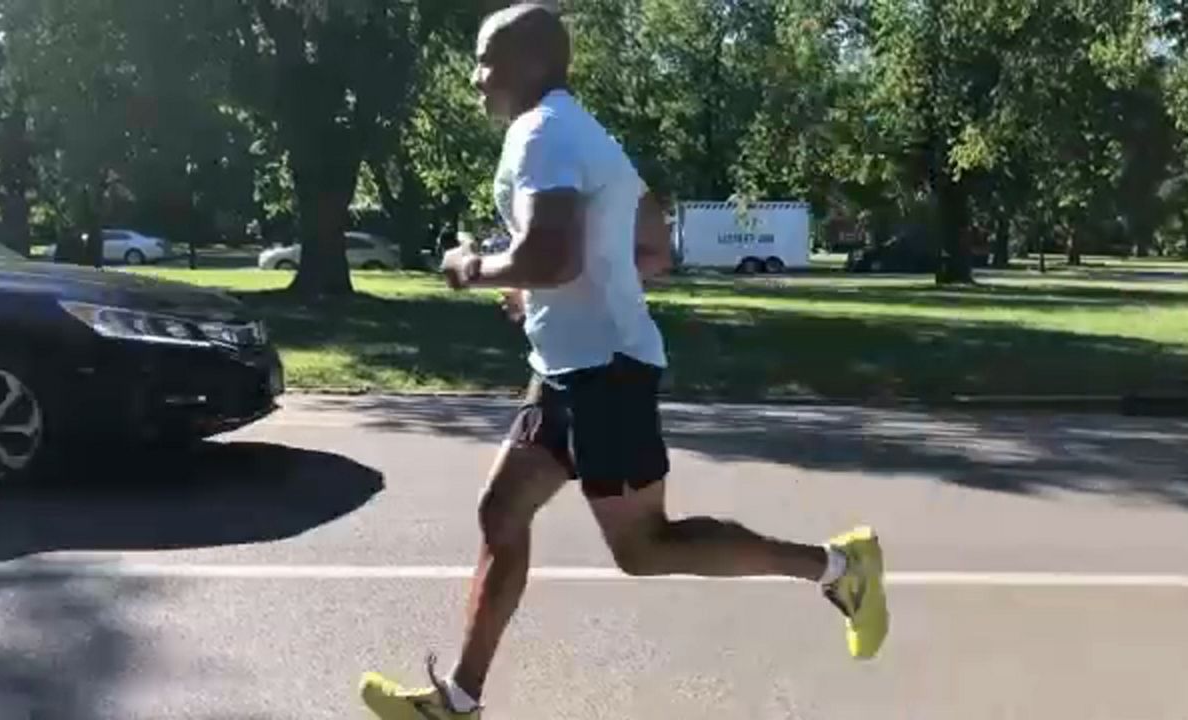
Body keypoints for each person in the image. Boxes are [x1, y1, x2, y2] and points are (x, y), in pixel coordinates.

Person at [358, 5, 888, 718]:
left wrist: (473, 267)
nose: (476, 77)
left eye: (487, 59)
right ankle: (458, 701)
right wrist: (539, 288)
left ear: (532, 63)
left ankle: (838, 567)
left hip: (607, 373)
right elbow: (651, 254)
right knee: (501, 511)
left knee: (643, 547)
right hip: (566, 365)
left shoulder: (542, 132)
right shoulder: (583, 133)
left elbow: (554, 252)